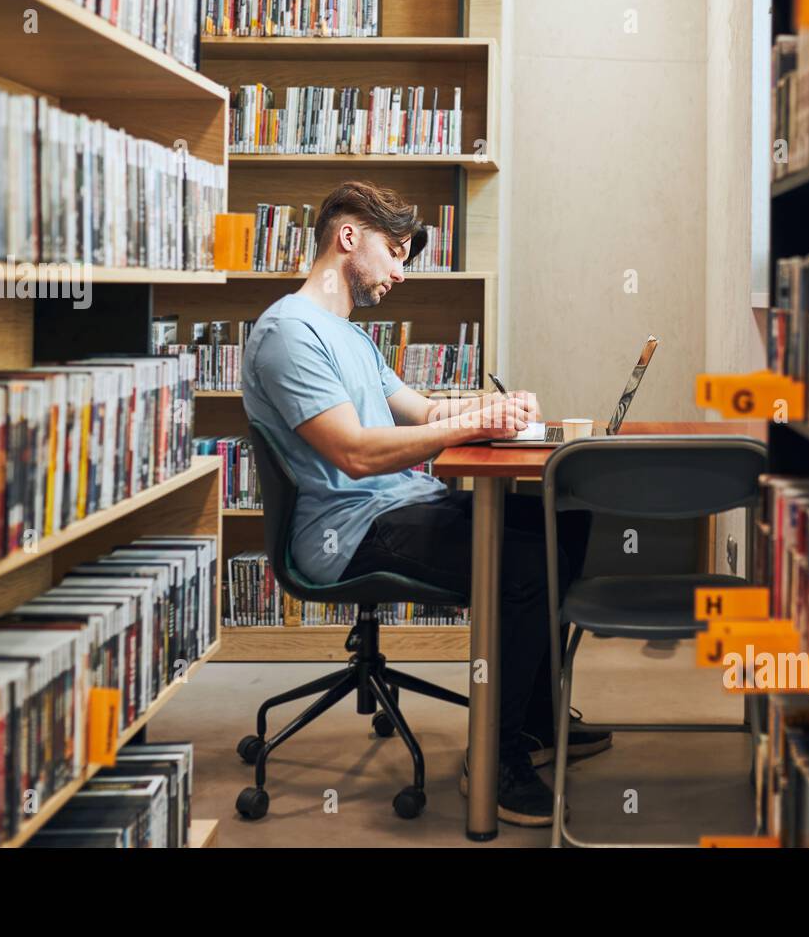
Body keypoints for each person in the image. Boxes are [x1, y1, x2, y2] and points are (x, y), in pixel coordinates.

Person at [241, 180, 611, 826]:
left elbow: (428, 411)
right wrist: (469, 427)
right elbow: (354, 453)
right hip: (348, 531)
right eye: (396, 252)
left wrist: (492, 409)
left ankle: (530, 724)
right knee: (522, 566)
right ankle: (495, 763)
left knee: (562, 522)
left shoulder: (351, 336)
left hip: (399, 506)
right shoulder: (288, 334)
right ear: (348, 237)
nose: (400, 274)